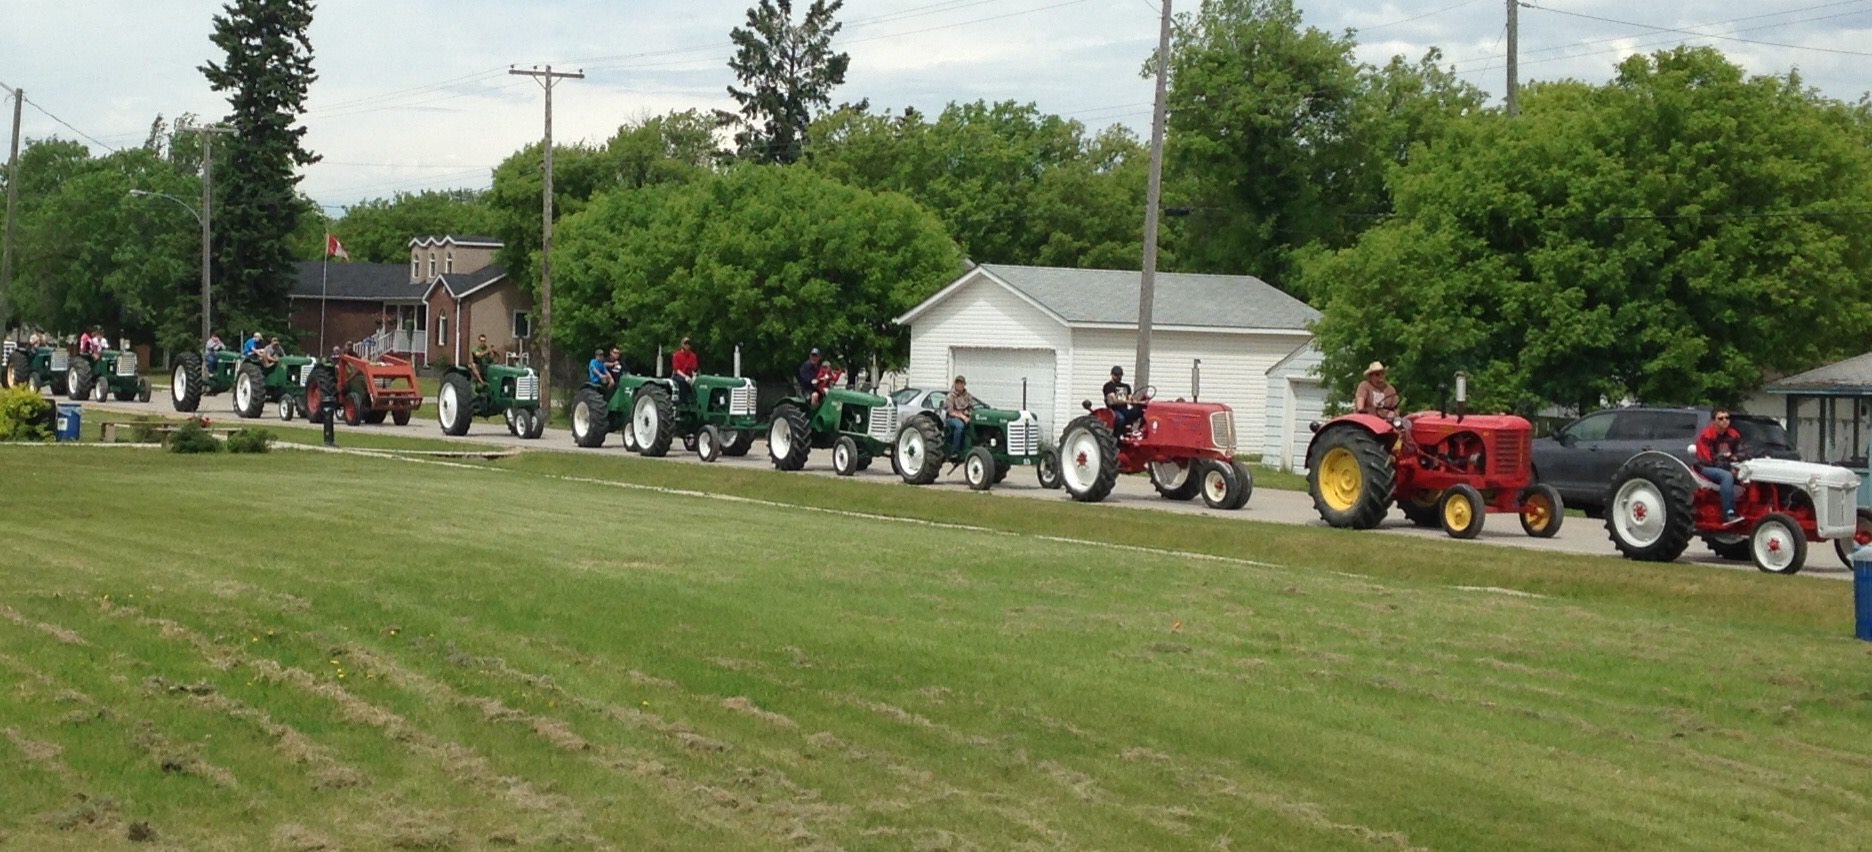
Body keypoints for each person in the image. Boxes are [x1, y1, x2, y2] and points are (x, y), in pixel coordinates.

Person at [1696, 408, 1745, 524]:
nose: (1725, 421)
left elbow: (1743, 452)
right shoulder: (1706, 436)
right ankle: (1729, 513)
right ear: (1714, 421)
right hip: (1705, 468)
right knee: (1727, 476)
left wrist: (1736, 458)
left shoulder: (1734, 435)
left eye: (1727, 418)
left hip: (1727, 466)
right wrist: (1729, 463)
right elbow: (1707, 459)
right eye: (1721, 418)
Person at [943, 375, 974, 461]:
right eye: (958, 383)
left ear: (964, 384)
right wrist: (963, 416)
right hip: (951, 418)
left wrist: (969, 413)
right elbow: (951, 411)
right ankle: (955, 451)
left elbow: (972, 408)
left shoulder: (968, 396)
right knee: (959, 426)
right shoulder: (951, 396)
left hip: (965, 417)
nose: (960, 385)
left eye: (961, 383)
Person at [1103, 366, 1142, 433]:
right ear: (1112, 375)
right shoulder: (1108, 386)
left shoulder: (1126, 386)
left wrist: (1137, 402)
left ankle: (1137, 431)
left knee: (1140, 411)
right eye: (1116, 375)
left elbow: (1130, 399)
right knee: (1121, 419)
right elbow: (1112, 401)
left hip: (1124, 409)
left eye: (1120, 375)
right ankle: (1117, 436)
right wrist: (1127, 401)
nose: (1118, 377)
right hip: (1113, 410)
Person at [671, 337, 699, 404]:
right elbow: (677, 370)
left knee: (698, 382)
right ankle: (683, 402)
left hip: (689, 375)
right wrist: (685, 377)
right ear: (682, 345)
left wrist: (694, 377)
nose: (687, 345)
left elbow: (694, 369)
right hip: (678, 375)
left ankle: (696, 401)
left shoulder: (693, 356)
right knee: (683, 382)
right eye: (685, 343)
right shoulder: (676, 355)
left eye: (688, 344)